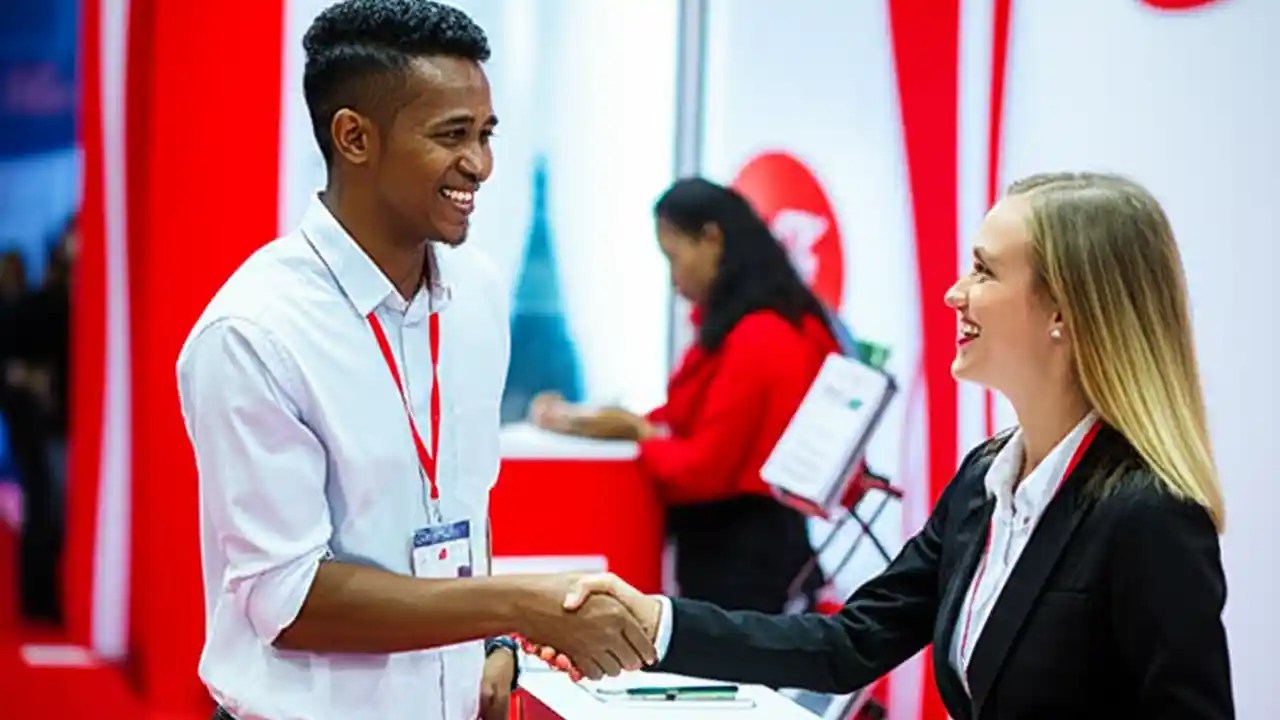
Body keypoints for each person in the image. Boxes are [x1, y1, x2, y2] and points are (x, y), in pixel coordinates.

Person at [542, 172, 1235, 718]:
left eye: (985, 272)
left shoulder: (1148, 514)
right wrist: (653, 623)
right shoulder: (984, 482)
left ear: (1064, 311)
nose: (954, 293)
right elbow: (848, 644)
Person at [175, 3, 653, 719]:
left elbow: (462, 510)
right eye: (451, 135)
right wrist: (525, 602)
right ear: (354, 137)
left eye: (486, 135)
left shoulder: (479, 295)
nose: (481, 165)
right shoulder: (254, 332)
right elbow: (292, 600)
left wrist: (495, 642)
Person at [529, 178, 836, 613]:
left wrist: (638, 432)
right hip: (743, 547)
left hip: (742, 557)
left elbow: (704, 466)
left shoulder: (760, 335)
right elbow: (687, 415)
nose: (674, 279)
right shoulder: (756, 325)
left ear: (711, 239)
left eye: (673, 257)